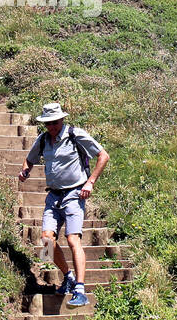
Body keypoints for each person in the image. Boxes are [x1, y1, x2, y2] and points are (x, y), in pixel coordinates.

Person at [18, 102, 109, 308]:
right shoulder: (43, 140)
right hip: (53, 196)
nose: (52, 127)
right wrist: (25, 171)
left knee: (72, 239)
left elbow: (103, 155)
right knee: (46, 240)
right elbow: (29, 160)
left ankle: (80, 288)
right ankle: (67, 276)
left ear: (62, 120)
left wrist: (90, 182)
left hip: (74, 194)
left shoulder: (75, 135)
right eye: (48, 124)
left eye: (55, 123)